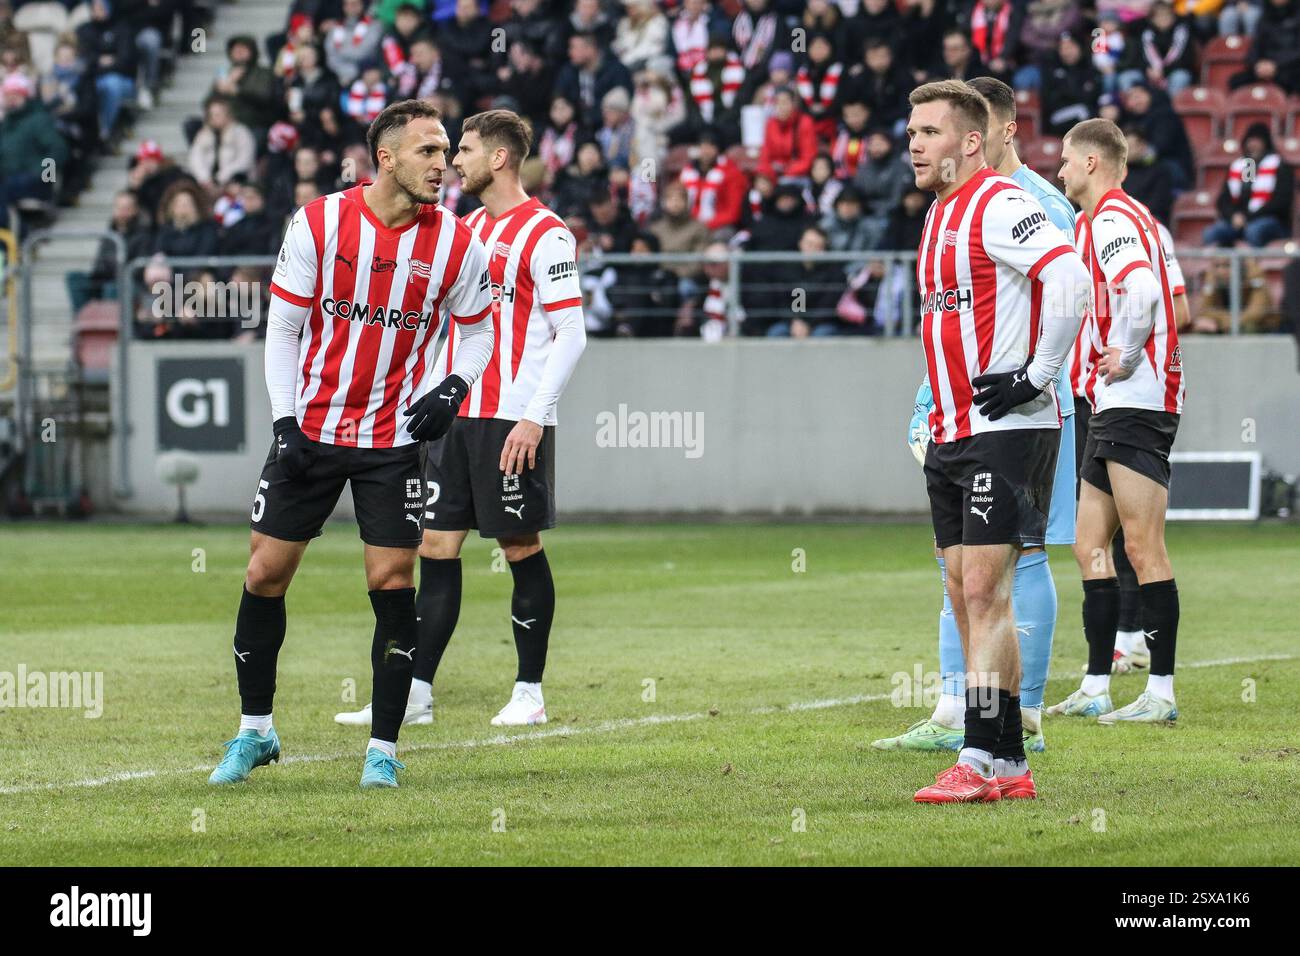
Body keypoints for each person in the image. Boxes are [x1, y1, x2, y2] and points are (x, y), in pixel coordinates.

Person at [207, 100, 496, 789]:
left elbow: (481, 329)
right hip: (309, 429)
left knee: (393, 583)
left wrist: (454, 384)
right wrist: (285, 424)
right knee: (264, 575)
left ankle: (383, 750)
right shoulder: (319, 223)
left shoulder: (457, 242)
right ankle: (256, 733)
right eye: (429, 151)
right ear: (386, 158)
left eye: (448, 150)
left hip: (393, 440)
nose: (445, 163)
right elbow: (283, 331)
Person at [336, 109, 586, 730]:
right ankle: (416, 691)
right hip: (455, 416)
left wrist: (535, 418)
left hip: (510, 417)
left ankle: (529, 691)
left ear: (499, 158)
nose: (454, 163)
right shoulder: (463, 230)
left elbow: (572, 332)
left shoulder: (546, 233)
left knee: (519, 543)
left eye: (466, 150)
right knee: (434, 546)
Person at [875, 76, 1080, 760]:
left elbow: (1071, 280)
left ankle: (988, 754)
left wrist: (1036, 375)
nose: (914, 145)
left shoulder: (1002, 203)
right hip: (955, 429)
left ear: (972, 140)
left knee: (992, 588)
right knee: (967, 591)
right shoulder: (939, 214)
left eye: (928, 132)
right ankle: (999, 749)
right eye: (910, 134)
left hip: (1006, 427)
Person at [1049, 117, 1186, 725]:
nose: (1060, 170)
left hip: (1138, 398)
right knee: (1088, 546)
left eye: (1066, 160)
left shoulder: (1111, 220)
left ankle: (1160, 692)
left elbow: (1143, 291)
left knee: (1143, 546)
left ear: (1093, 164)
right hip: (1110, 403)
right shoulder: (1096, 222)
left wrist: (1127, 352)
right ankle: (1097, 684)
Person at [1203, 122, 1295, 248]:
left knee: (1254, 231)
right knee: (1212, 233)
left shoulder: (1279, 166)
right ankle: (1220, 266)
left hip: (1272, 221)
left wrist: (1249, 217)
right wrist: (1234, 216)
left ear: (1265, 143)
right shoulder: (1246, 166)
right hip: (1241, 221)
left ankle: (1254, 266)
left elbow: (1280, 202)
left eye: (1257, 140)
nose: (1253, 145)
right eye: (1250, 140)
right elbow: (1225, 200)